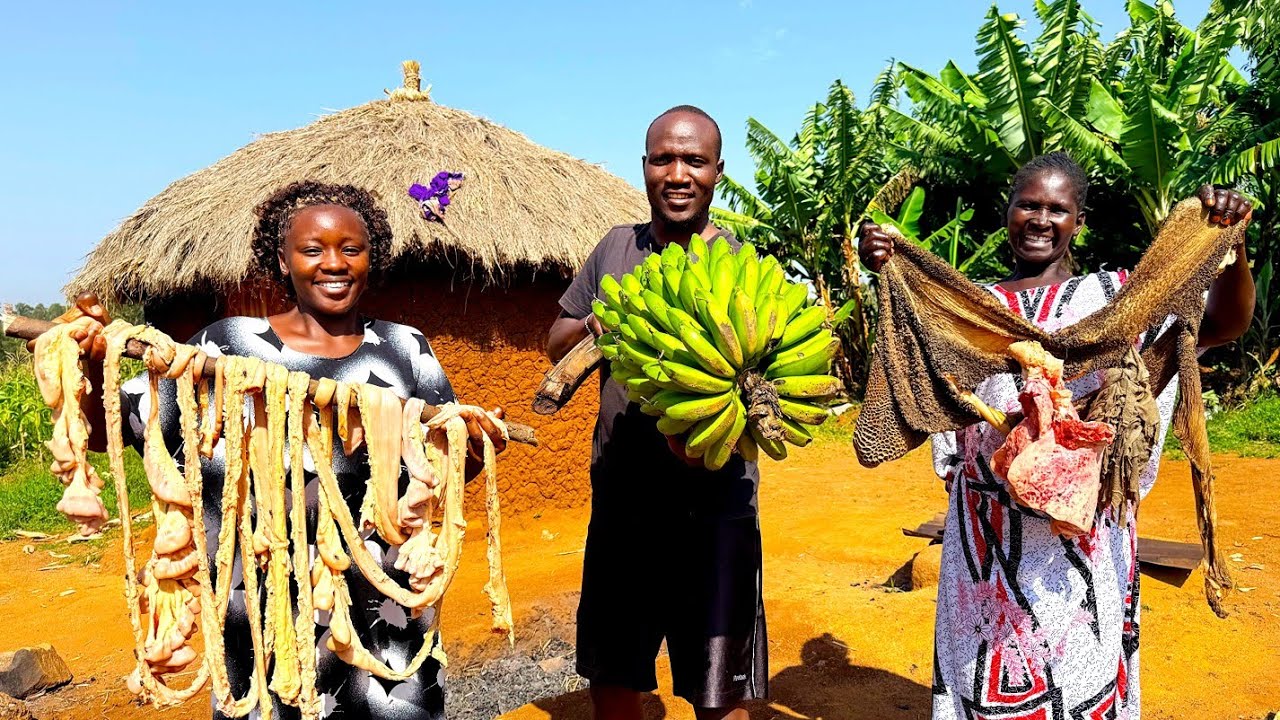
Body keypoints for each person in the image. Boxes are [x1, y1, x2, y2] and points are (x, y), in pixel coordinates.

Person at [61, 180, 507, 719]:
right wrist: (90, 358)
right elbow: (117, 426)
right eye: (313, 250)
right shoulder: (225, 348)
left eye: (351, 248)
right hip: (259, 604)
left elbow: (446, 474)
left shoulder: (403, 350)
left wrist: (474, 441)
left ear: (373, 257)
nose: (333, 264)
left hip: (382, 600)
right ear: (283, 258)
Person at [858, 152, 1254, 719]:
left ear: (1080, 222)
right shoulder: (968, 307)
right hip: (988, 537)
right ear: (1008, 213)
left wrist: (1232, 245)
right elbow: (920, 382)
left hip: (1086, 540)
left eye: (1057, 209)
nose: (1040, 219)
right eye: (1028, 204)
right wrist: (889, 268)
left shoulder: (1122, 301)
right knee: (983, 683)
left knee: (1080, 684)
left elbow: (1221, 325)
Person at [545, 106, 767, 720]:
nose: (678, 173)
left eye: (694, 161)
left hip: (718, 506)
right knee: (614, 673)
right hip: (625, 498)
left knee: (720, 688)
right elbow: (556, 340)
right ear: (644, 167)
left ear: (717, 171)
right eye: (664, 158)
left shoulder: (740, 265)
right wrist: (596, 321)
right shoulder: (615, 248)